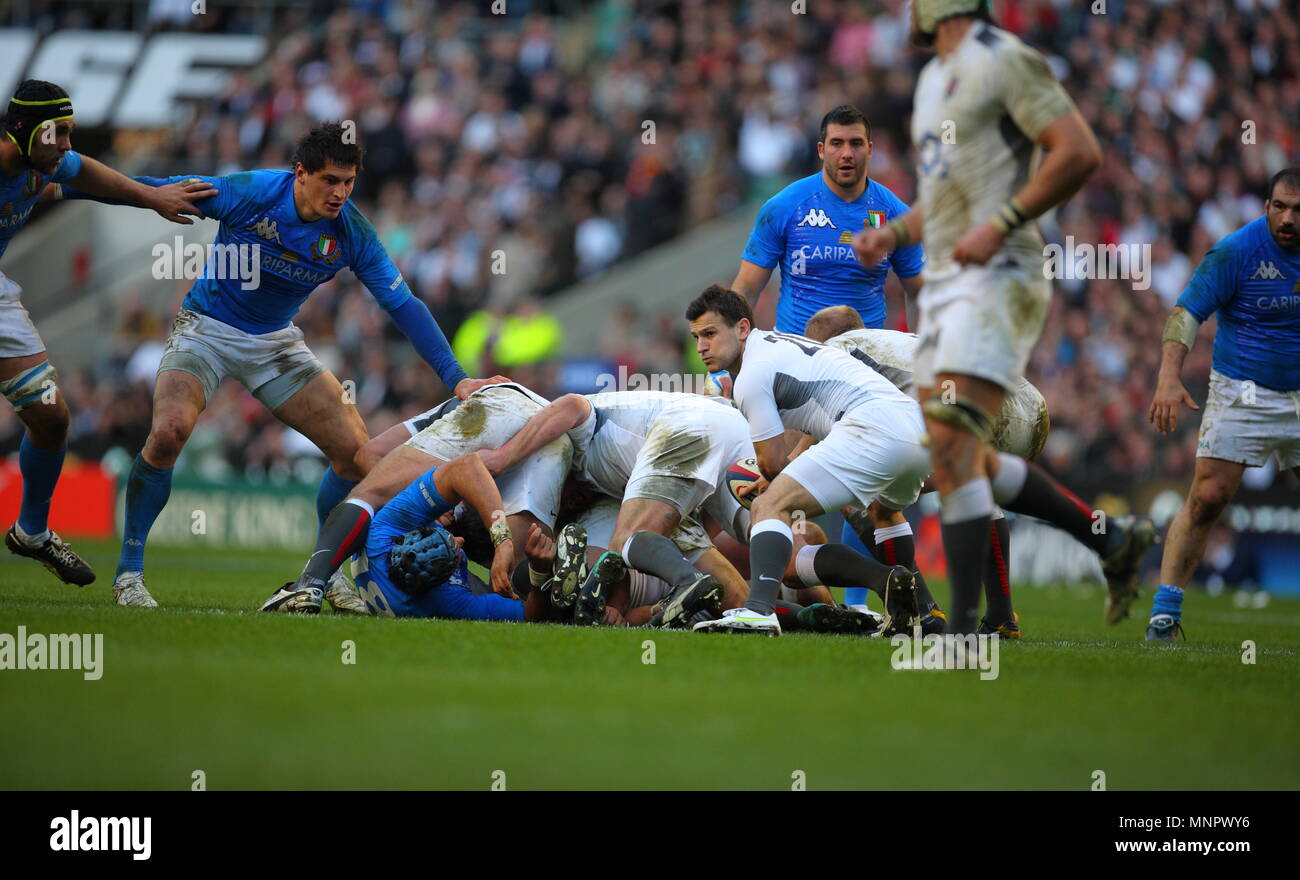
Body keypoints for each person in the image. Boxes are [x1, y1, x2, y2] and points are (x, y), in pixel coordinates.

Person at [63, 122, 505, 608]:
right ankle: (129, 575)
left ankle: (325, 574)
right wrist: (61, 185)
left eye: (348, 182)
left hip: (275, 343)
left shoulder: (351, 231)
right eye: (329, 180)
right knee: (169, 431)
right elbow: (148, 189)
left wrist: (457, 378)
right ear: (300, 173)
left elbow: (404, 306)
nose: (339, 193)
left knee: (357, 455)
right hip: (206, 327)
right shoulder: (252, 192)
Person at [852, 0, 1153, 633]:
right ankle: (1110, 539)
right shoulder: (935, 77)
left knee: (958, 446)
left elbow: (1078, 150)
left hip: (1001, 274)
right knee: (960, 453)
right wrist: (894, 233)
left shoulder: (1005, 59)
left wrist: (1003, 224)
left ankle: (963, 635)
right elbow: (948, 198)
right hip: (948, 282)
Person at [1, 79, 213, 587]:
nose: (70, 145)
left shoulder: (41, 166)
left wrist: (152, 195)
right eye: (62, 133)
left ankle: (31, 531)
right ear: (27, 131)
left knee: (51, 419)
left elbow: (91, 177)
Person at [685, 285, 925, 636]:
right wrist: (785, 473)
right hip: (915, 428)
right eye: (695, 337)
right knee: (884, 511)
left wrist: (775, 483)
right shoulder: (778, 344)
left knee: (768, 507)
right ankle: (917, 614)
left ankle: (757, 612)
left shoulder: (750, 376)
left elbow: (770, 462)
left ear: (742, 328)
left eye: (710, 334)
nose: (701, 347)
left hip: (871, 426)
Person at [1145, 167, 1300, 641]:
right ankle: (1165, 615)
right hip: (1241, 389)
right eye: (1279, 206)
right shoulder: (1237, 250)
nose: (1288, 218)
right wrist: (1168, 378)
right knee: (1208, 498)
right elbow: (1187, 312)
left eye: (1298, 209)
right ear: (1266, 206)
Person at [265, 380, 570, 614]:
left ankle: (311, 584)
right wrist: (436, 490)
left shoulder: (436, 593)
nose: (458, 543)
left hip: (514, 420)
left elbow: (372, 457)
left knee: (371, 491)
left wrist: (432, 493)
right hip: (538, 416)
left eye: (449, 541)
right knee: (511, 574)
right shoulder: (385, 536)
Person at [730, 105, 925, 332]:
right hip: (797, 354)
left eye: (856, 143)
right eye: (837, 143)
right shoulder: (784, 207)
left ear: (870, 149)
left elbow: (918, 292)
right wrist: (733, 360)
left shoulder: (895, 214)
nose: (847, 154)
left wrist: (919, 357)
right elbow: (746, 288)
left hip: (865, 359)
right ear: (821, 150)